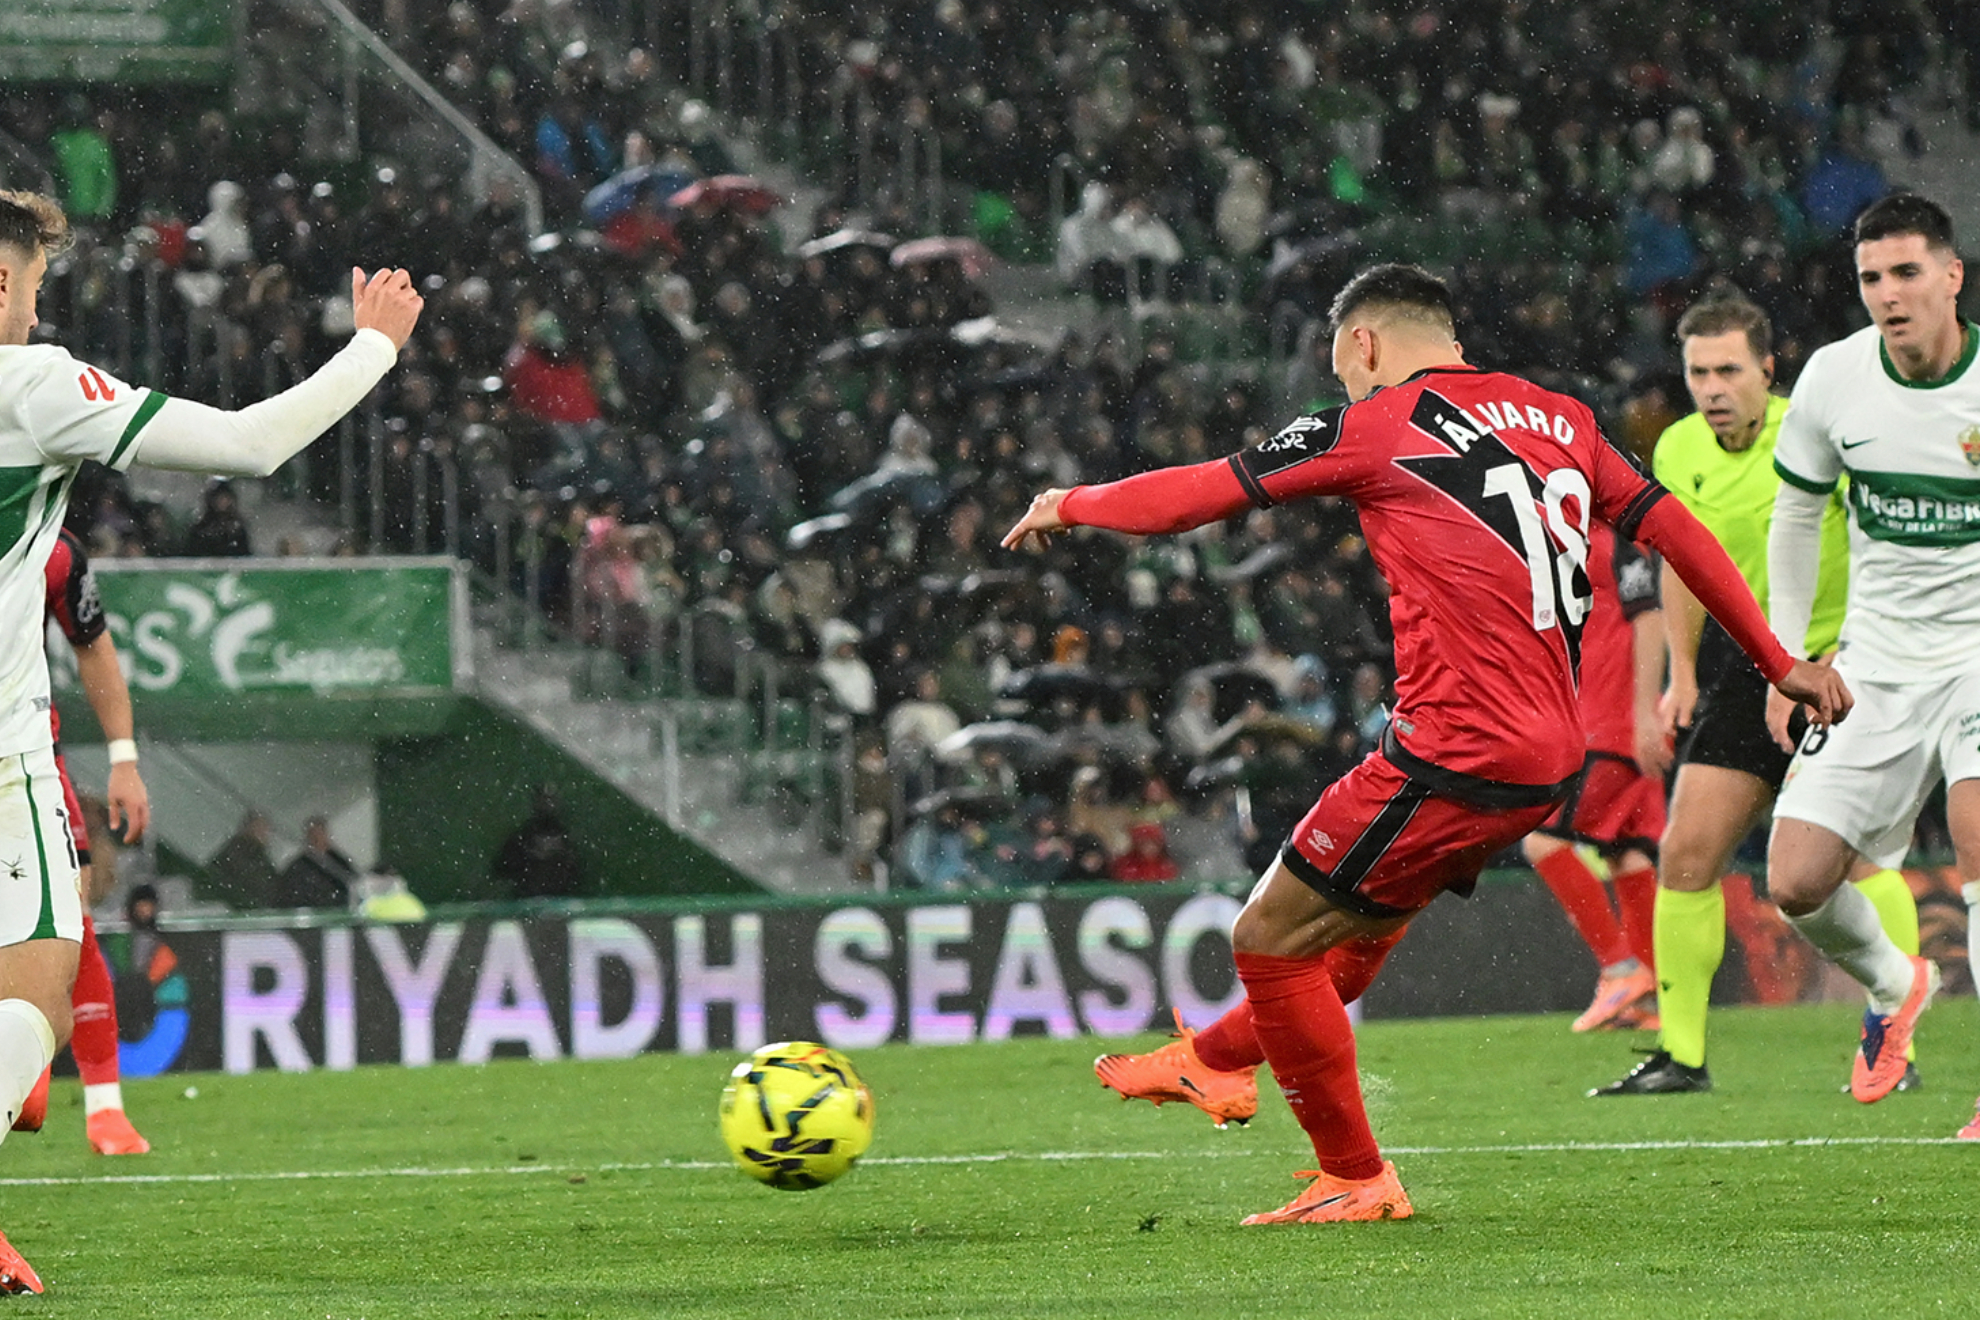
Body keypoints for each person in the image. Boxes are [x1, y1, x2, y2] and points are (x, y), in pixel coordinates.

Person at [1002, 263, 1848, 1225]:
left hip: (1456, 749)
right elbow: (1678, 534)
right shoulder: (1561, 417)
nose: (1346, 388)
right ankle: (1215, 1061)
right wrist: (1780, 661)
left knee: (1266, 939)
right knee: (1355, 932)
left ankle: (1353, 1174)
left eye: (1344, 367)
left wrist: (1075, 502)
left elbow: (1206, 493)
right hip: (1549, 758)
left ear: (1364, 344)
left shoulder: (1374, 424)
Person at [0, 189, 421, 1291]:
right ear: (2, 285)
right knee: (37, 1004)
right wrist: (373, 348)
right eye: (35, 289)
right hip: (2, 759)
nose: (41, 314)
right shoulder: (34, 387)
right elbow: (248, 446)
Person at [1593, 290, 1915, 1096]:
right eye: (1699, 371)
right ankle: (1683, 1056)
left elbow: (1875, 542)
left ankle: (1893, 1042)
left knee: (1855, 859)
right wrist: (1683, 679)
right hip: (1750, 671)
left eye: (1729, 369)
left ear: (1767, 370)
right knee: (1688, 853)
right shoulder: (1675, 449)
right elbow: (1681, 566)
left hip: (1847, 661)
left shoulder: (1813, 431)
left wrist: (1832, 651)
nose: (1712, 387)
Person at [1761, 193, 1976, 1120]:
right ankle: (1896, 986)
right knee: (1796, 880)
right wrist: (1790, 656)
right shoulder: (1834, 378)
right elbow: (1799, 514)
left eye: (1906, 273)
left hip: (1977, 654)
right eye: (1871, 279)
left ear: (1951, 276)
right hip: (1877, 661)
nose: (1888, 295)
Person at [8, 528, 153, 1156]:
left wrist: (124, 759)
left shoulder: (52, 548)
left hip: (27, 766)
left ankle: (104, 1108)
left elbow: (92, 644)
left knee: (73, 922)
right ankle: (20, 1068)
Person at [1518, 518, 1663, 1032]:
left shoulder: (1614, 539)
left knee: (1539, 839)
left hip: (1606, 725)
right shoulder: (1575, 536)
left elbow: (1649, 619)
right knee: (1626, 851)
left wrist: (1645, 714)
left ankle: (1620, 968)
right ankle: (1646, 997)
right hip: (1609, 722)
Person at [492, 786, 584, 899]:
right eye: (544, 799)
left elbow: (574, 873)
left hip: (559, 901)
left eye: (551, 799)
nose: (548, 804)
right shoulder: (520, 839)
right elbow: (503, 872)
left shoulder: (567, 840)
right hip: (525, 902)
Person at [275, 816, 359, 909]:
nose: (317, 838)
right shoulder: (298, 867)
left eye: (320, 833)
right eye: (314, 834)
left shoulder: (339, 861)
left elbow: (353, 884)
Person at [207, 810, 279, 909]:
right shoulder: (240, 852)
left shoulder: (255, 853)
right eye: (260, 827)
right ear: (249, 827)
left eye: (266, 829)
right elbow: (251, 880)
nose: (265, 833)